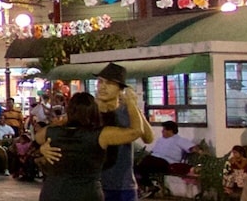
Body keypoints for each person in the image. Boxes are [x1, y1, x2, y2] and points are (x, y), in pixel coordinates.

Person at [37, 92, 154, 201]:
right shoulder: (100, 135)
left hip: (52, 192)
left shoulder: (53, 133)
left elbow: (38, 137)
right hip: (86, 193)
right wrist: (132, 104)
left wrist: (63, 121)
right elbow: (136, 132)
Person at [93, 63, 151, 201]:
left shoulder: (128, 110)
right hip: (95, 184)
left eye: (109, 83)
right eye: (100, 81)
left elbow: (148, 138)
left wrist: (133, 105)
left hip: (124, 186)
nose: (103, 86)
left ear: (120, 89)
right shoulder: (89, 110)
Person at [138, 121, 197, 196]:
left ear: (170, 131)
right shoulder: (160, 140)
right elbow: (154, 152)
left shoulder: (179, 140)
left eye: (164, 129)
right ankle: (150, 186)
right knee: (139, 167)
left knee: (144, 164)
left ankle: (150, 186)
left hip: (166, 162)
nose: (162, 131)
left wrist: (199, 151)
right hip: (154, 161)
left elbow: (192, 148)